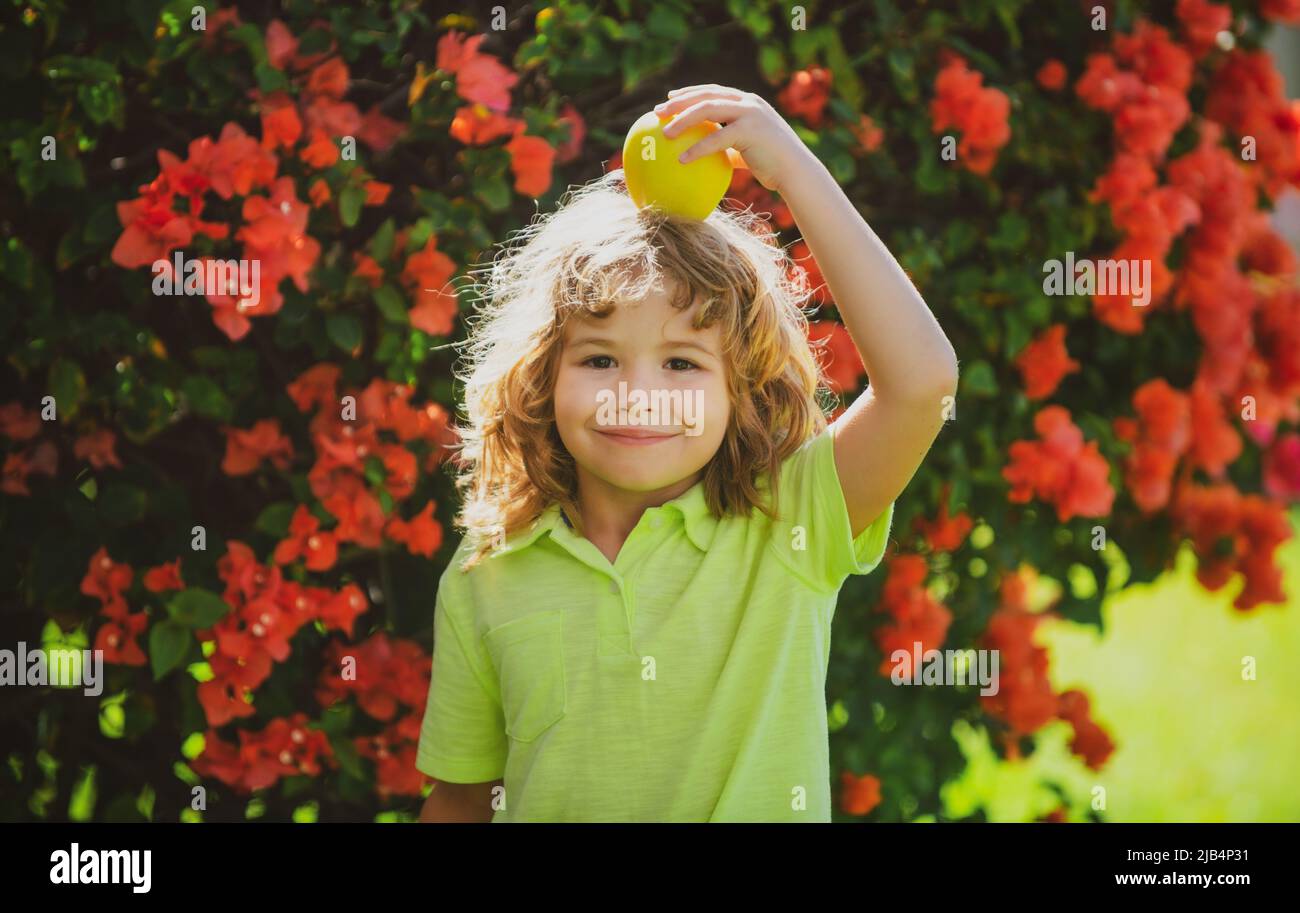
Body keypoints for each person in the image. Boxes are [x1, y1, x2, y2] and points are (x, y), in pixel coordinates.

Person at [416, 84, 959, 822]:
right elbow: (462, 801)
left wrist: (794, 170)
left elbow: (923, 385)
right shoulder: (491, 569)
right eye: (600, 359)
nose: (638, 394)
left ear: (744, 390)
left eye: (682, 364)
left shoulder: (791, 520)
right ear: (542, 377)